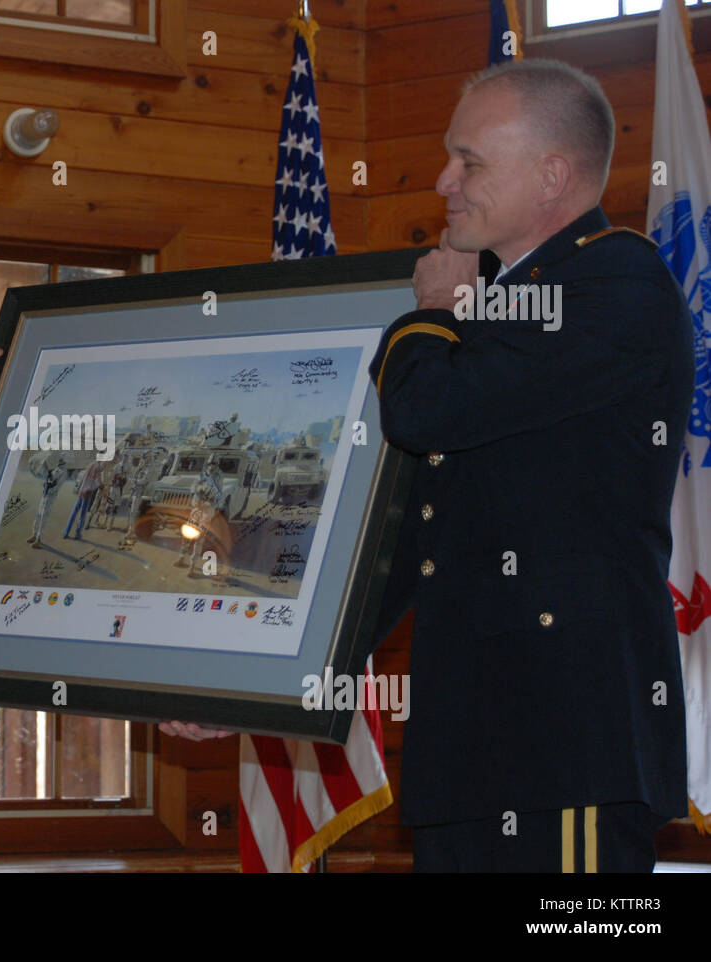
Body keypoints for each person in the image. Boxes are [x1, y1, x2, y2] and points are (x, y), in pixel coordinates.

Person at [167, 59, 694, 873]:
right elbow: (408, 546)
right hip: (468, 750)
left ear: (554, 174)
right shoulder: (485, 302)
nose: (445, 180)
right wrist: (258, 688)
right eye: (449, 156)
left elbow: (424, 412)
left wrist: (432, 314)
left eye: (470, 160)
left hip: (571, 742)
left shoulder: (616, 285)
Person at [27, 455, 67, 548]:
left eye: (61, 460)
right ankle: (34, 534)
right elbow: (48, 477)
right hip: (45, 494)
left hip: (50, 496)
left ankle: (39, 539)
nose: (59, 461)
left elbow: (57, 486)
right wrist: (47, 481)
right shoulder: (56, 469)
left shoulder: (63, 472)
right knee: (38, 515)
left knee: (43, 518)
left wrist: (49, 485)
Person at [63, 459, 104, 540]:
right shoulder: (98, 468)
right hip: (87, 493)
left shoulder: (90, 464)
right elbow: (98, 482)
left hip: (81, 491)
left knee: (74, 512)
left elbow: (83, 477)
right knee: (82, 514)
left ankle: (66, 532)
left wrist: (79, 488)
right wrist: (102, 487)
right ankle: (77, 534)